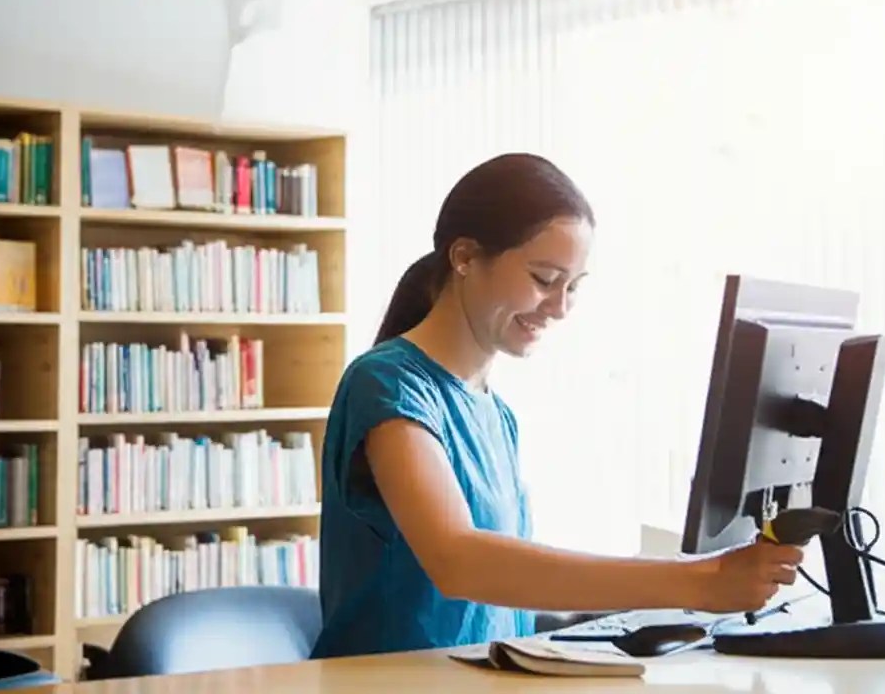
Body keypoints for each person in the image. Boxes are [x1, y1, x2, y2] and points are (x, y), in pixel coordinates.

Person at [309, 153, 803, 659]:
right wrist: (696, 583)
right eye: (545, 279)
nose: (561, 307)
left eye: (573, 286)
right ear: (464, 257)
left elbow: (497, 597)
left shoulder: (495, 413)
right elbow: (460, 562)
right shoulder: (387, 384)